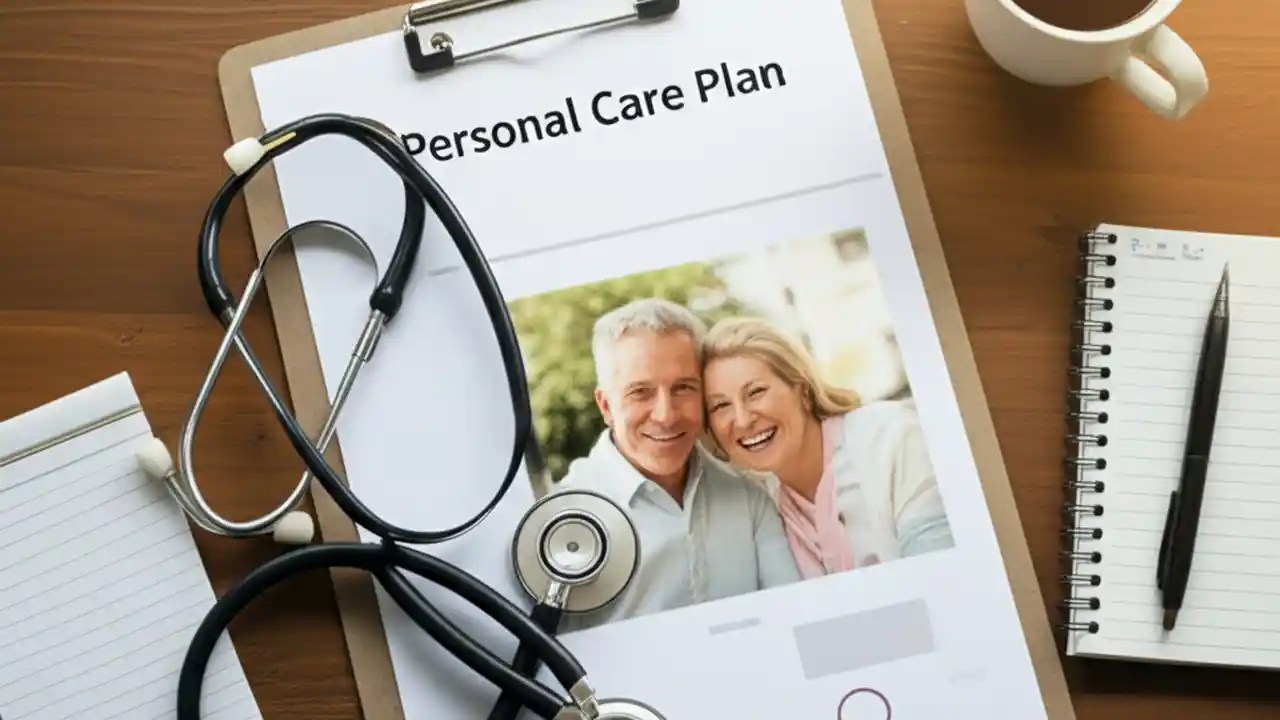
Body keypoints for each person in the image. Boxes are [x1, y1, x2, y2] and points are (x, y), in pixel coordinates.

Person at [552, 298, 801, 632]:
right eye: (640, 392)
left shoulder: (749, 496)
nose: (666, 415)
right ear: (606, 405)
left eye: (683, 388)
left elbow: (792, 618)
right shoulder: (559, 519)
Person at [700, 317, 954, 580]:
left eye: (756, 392)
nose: (742, 420)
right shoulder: (757, 507)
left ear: (802, 391)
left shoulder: (890, 437)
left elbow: (941, 571)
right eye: (720, 406)